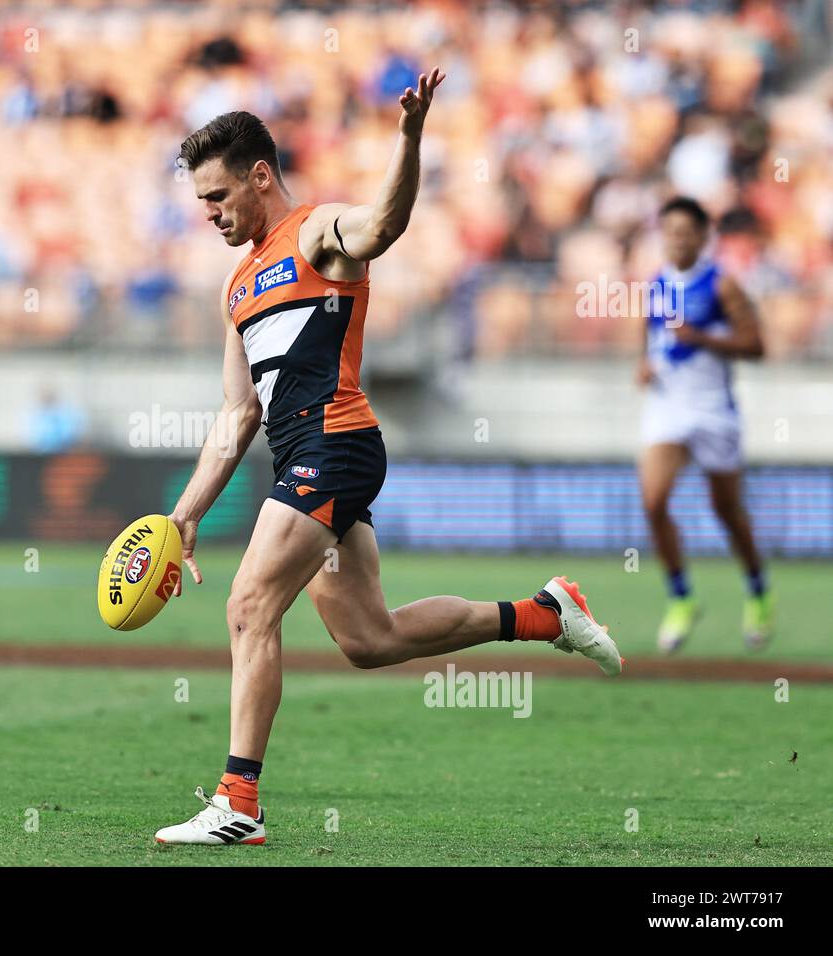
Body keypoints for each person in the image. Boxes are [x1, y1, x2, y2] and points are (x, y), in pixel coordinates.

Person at [154, 72, 622, 847]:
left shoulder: (316, 232)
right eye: (201, 200)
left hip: (336, 445)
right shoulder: (237, 287)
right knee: (371, 640)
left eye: (216, 196)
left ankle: (239, 801)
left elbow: (383, 224)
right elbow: (237, 415)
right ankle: (544, 613)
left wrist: (409, 137)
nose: (207, 213)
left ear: (259, 175)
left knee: (248, 607)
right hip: (303, 454)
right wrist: (184, 513)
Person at [638, 196, 771, 653]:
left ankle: (757, 589)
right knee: (653, 501)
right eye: (669, 231)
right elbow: (651, 338)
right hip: (668, 408)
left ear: (702, 236)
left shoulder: (721, 286)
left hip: (713, 409)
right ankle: (681, 597)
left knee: (726, 510)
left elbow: (756, 346)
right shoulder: (656, 283)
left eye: (684, 231)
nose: (676, 239)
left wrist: (702, 338)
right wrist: (644, 366)